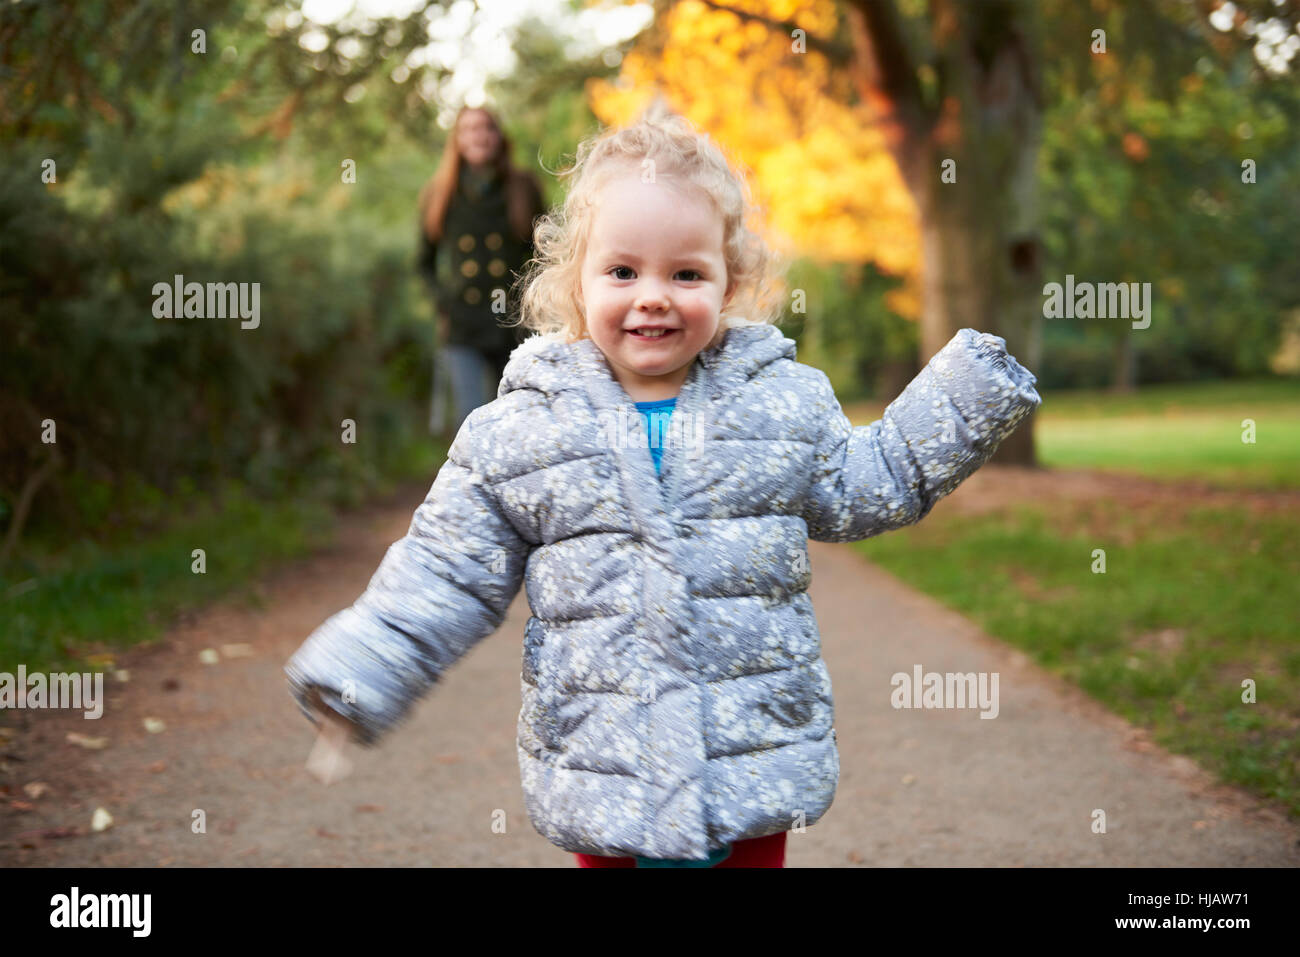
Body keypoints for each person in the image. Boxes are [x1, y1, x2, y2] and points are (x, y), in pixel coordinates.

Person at [284, 105, 1042, 868]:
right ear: (576, 282)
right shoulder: (522, 428)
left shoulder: (778, 401)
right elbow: (447, 570)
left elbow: (863, 484)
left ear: (729, 281)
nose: (653, 295)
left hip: (745, 749)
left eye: (686, 273)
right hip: (604, 757)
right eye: (623, 271)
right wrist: (364, 666)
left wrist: (967, 394)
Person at [417, 105, 546, 440]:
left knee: (518, 416)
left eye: (486, 127)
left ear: (498, 136)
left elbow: (545, 254)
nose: (479, 135)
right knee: (471, 420)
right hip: (464, 324)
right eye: (469, 129)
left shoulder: (523, 187)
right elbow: (424, 262)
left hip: (515, 324)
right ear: (458, 140)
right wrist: (442, 301)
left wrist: (537, 305)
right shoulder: (439, 193)